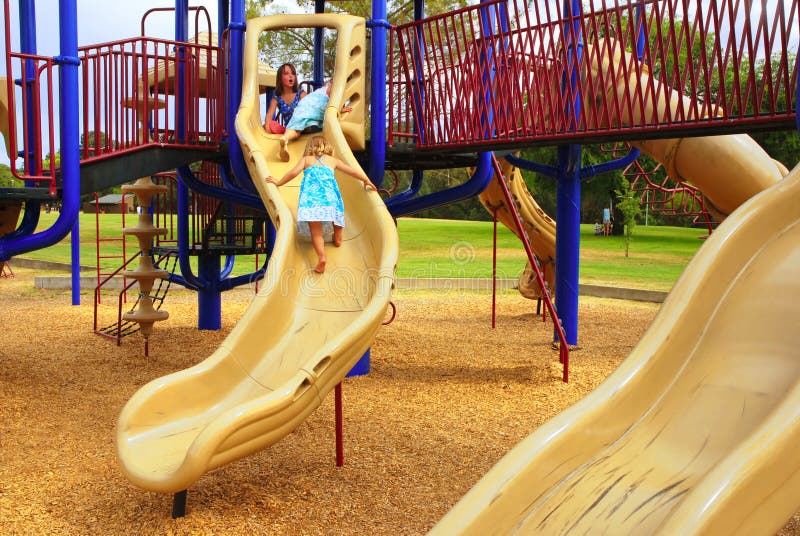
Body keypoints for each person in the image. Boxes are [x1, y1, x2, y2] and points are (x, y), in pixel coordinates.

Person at [265, 136, 376, 274]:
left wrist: (279, 182)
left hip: (311, 202)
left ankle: (322, 258)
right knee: (337, 221)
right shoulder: (333, 161)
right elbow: (352, 171)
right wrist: (366, 180)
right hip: (330, 200)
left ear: (309, 147)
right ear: (328, 147)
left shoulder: (306, 160)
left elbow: (293, 173)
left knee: (316, 233)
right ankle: (337, 236)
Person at [277, 81, 352, 161]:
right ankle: (305, 128)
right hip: (313, 111)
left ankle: (285, 138)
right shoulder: (329, 93)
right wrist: (339, 110)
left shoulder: (318, 91)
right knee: (306, 127)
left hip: (301, 110)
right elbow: (328, 108)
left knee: (295, 128)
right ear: (331, 83)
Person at [263, 63, 306, 133]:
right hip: (289, 130)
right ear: (280, 78)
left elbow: (309, 110)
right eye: (286, 73)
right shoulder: (277, 99)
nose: (291, 76)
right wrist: (268, 128)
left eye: (293, 73)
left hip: (302, 126)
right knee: (269, 125)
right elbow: (269, 116)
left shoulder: (301, 94)